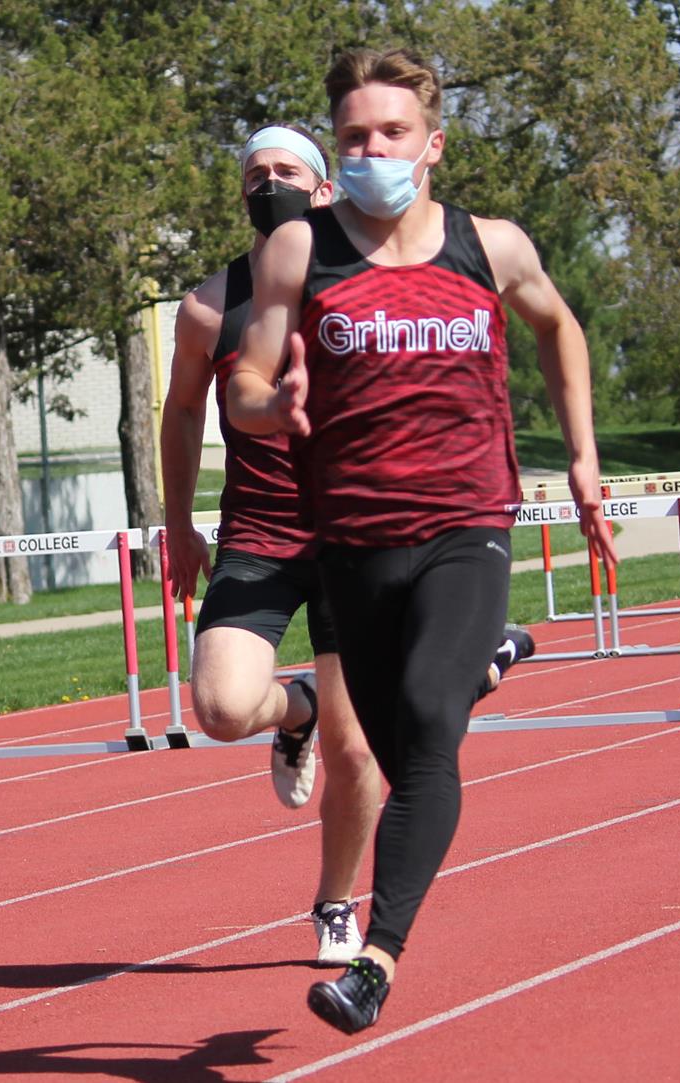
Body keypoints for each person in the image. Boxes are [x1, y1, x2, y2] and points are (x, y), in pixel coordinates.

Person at [225, 51, 617, 1034]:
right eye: (352, 137)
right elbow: (243, 385)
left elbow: (557, 330)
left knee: (429, 730)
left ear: (430, 145)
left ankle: (373, 960)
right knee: (401, 745)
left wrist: (580, 461)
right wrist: (272, 406)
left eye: (389, 135)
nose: (370, 152)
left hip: (466, 526)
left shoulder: (489, 246)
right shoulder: (296, 254)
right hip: (352, 539)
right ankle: (487, 660)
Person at [161, 123, 536, 967]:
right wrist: (179, 520)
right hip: (259, 530)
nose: (270, 184)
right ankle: (295, 705)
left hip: (356, 530)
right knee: (219, 706)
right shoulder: (208, 308)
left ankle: (337, 901)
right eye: (255, 173)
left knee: (359, 743)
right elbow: (184, 411)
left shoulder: (374, 286)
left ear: (325, 190)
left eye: (288, 171)